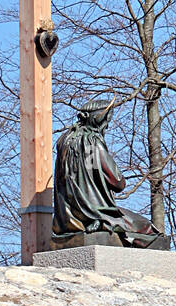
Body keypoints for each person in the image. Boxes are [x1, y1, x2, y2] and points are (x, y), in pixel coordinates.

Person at [52, 99, 163, 248]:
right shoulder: (92, 143)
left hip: (66, 219)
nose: (108, 125)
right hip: (95, 213)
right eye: (107, 119)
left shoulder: (63, 141)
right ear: (99, 119)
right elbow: (118, 182)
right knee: (148, 230)